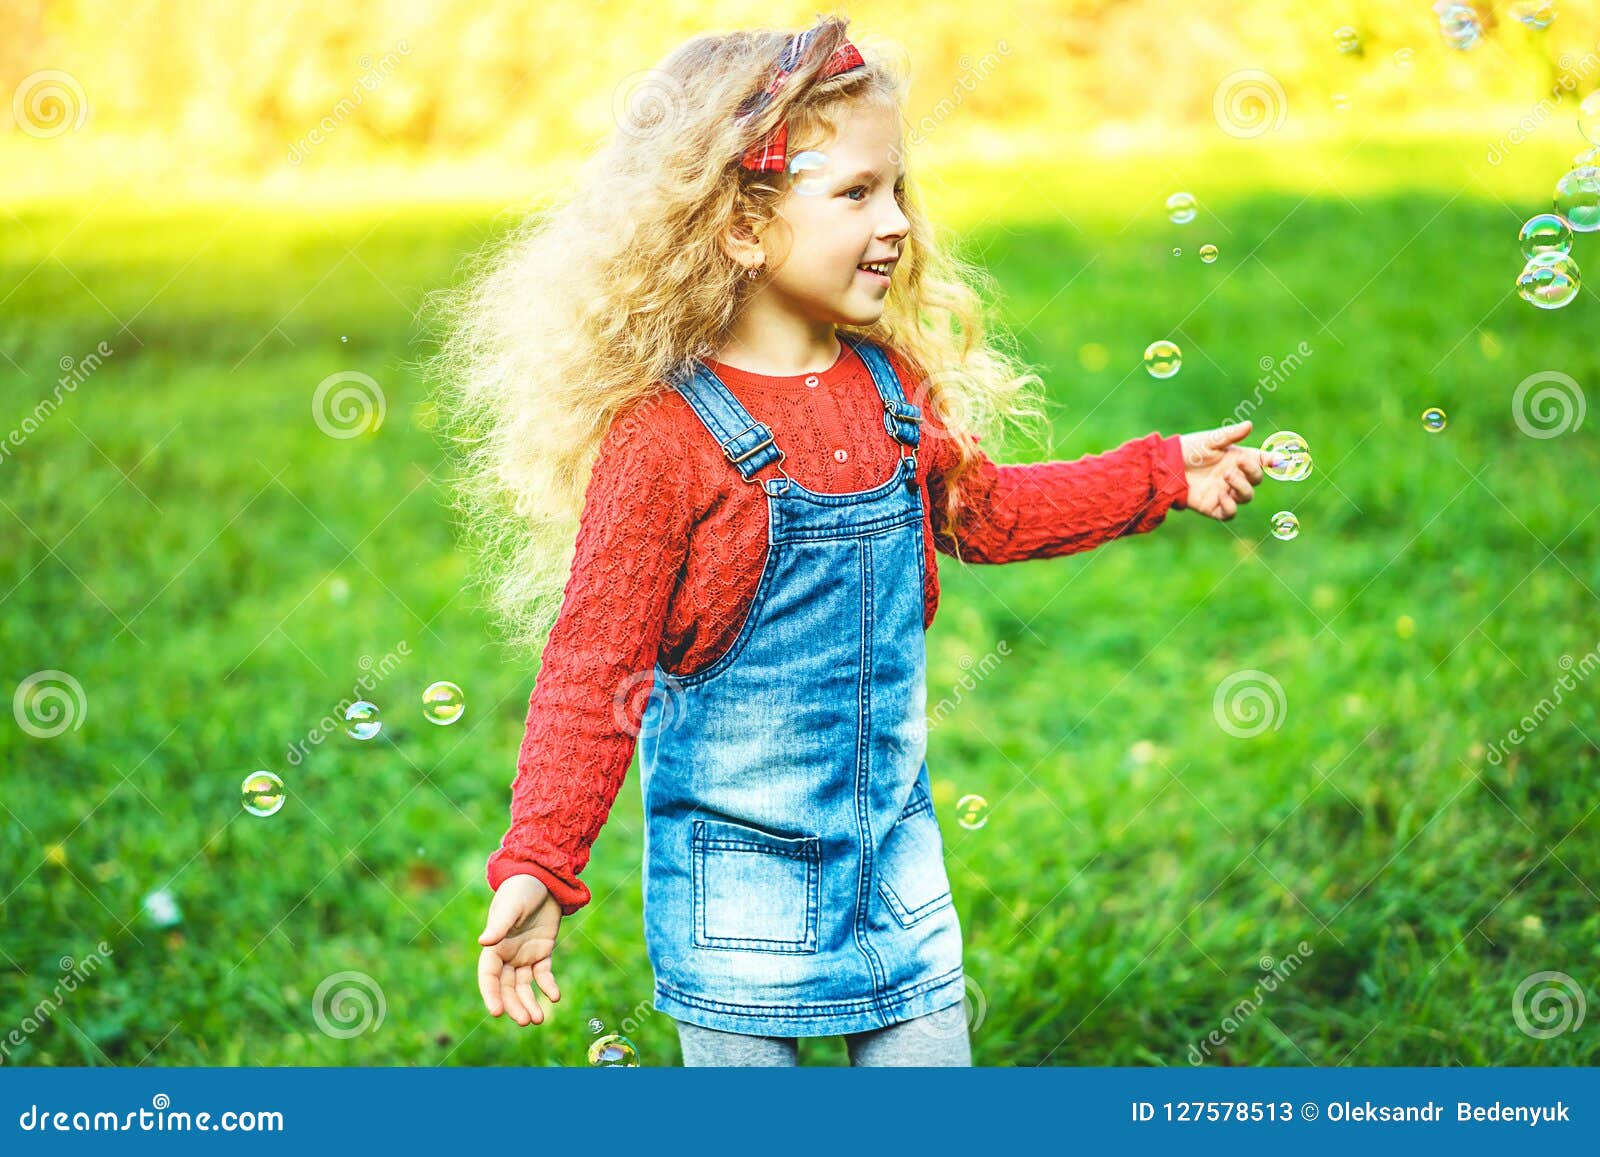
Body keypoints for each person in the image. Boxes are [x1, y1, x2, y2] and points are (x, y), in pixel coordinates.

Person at [431, 14, 1267, 1066]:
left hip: (893, 862)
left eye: (899, 188)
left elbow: (990, 511)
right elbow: (595, 663)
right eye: (856, 193)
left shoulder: (891, 392)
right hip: (734, 886)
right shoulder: (665, 440)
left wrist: (1156, 474)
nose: (900, 223)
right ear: (740, 222)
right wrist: (541, 861)